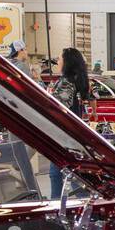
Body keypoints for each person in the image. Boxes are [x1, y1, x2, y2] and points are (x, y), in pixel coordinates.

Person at [47, 46, 92, 199]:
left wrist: (48, 97)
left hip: (64, 136)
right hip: (75, 134)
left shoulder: (66, 83)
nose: (57, 62)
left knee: (60, 174)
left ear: (67, 62)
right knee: (66, 173)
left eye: (59, 59)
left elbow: (58, 110)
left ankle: (56, 208)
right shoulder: (78, 82)